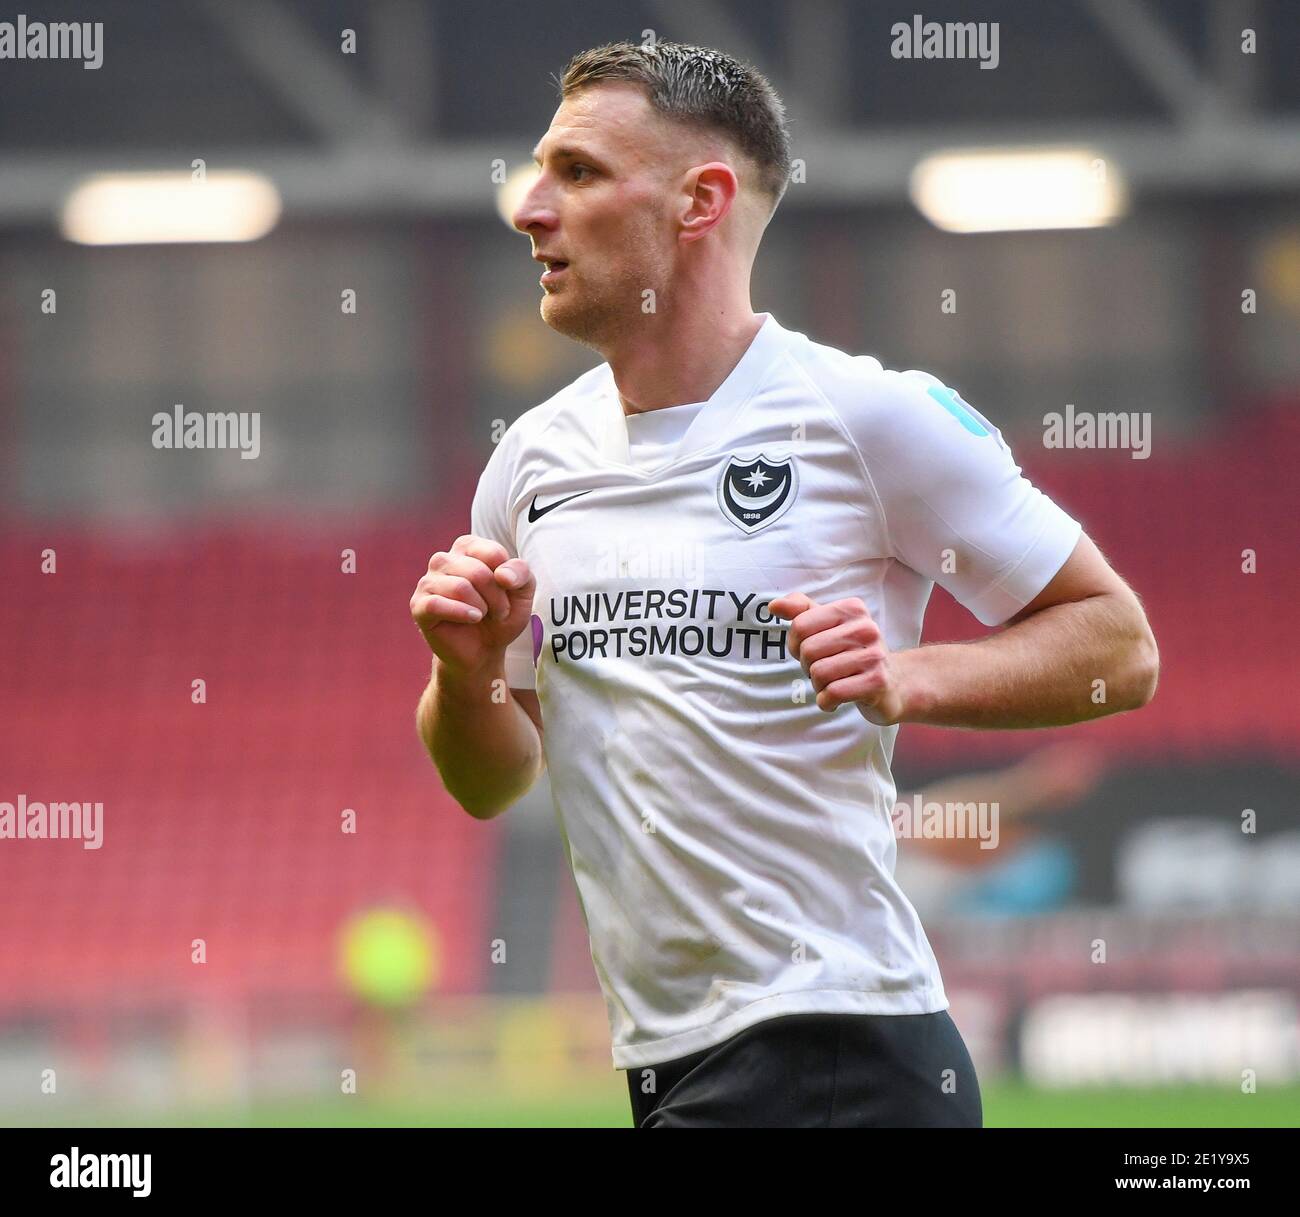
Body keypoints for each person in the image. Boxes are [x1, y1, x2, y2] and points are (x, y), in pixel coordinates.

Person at [410, 41, 1159, 1128]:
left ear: (699, 201)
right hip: (676, 1058)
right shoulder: (530, 460)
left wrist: (909, 674)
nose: (529, 207)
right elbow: (491, 778)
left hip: (834, 1048)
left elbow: (1118, 646)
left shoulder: (868, 416)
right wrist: (462, 670)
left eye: (575, 172)